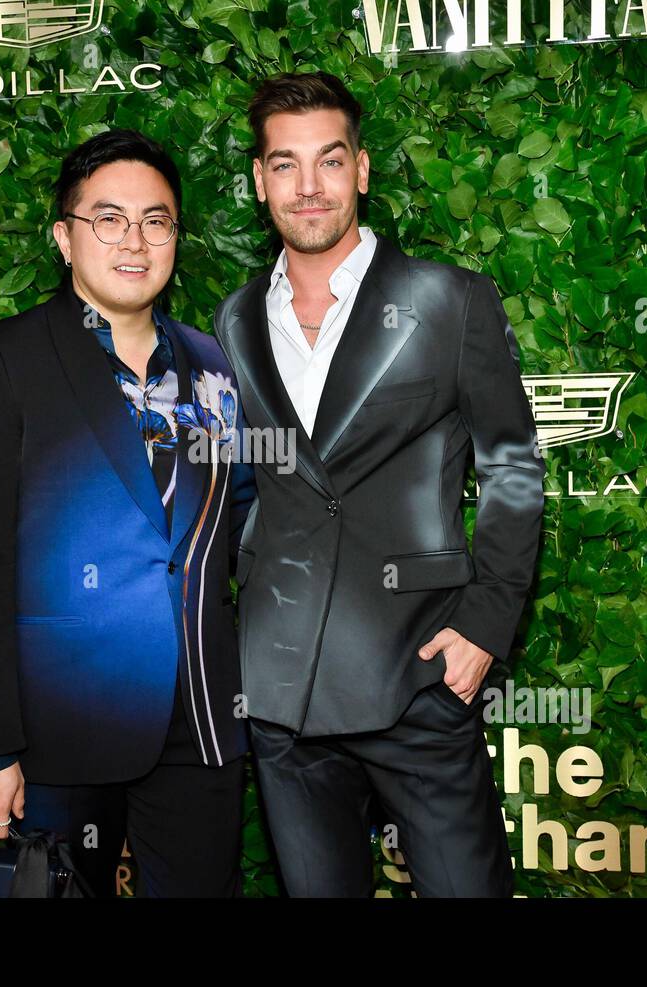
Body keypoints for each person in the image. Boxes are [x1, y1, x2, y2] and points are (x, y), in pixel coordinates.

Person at [213, 71, 545, 896]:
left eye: (329, 161)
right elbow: (257, 482)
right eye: (285, 165)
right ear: (260, 182)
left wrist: (485, 623)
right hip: (285, 695)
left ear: (361, 169)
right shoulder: (235, 318)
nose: (309, 187)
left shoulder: (447, 298)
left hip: (418, 674)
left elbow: (511, 461)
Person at [0, 128, 255, 897]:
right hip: (56, 729)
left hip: (202, 719)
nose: (135, 240)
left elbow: (244, 525)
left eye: (157, 219)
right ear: (63, 237)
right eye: (108, 218)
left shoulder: (214, 363)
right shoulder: (3, 359)